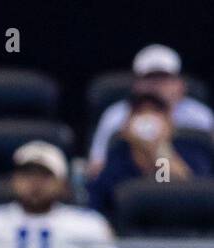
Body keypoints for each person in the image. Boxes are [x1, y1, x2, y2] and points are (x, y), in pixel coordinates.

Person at [88, 44, 213, 176]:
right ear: (136, 85)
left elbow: (166, 178)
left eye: (163, 79)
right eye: (149, 79)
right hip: (129, 179)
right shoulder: (116, 116)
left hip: (183, 185)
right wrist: (136, 145)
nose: (156, 87)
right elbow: (96, 169)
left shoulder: (200, 117)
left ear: (180, 85)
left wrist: (158, 147)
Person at [88, 91, 211, 219]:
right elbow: (99, 203)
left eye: (156, 112)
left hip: (180, 229)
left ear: (170, 123)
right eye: (139, 113)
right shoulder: (118, 154)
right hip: (128, 232)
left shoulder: (191, 150)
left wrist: (159, 150)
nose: (148, 118)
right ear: (126, 124)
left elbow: (190, 196)